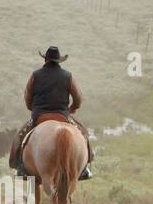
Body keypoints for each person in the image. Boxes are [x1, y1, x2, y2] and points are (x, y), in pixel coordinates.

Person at [8, 45, 92, 179]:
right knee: (84, 134)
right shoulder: (68, 76)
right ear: (59, 61)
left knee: (19, 137)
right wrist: (72, 108)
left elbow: (27, 97)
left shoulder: (35, 75)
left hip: (40, 116)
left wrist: (33, 108)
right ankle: (84, 168)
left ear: (45, 60)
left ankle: (19, 166)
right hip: (62, 116)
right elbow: (78, 98)